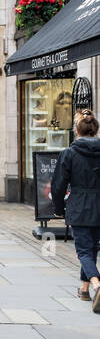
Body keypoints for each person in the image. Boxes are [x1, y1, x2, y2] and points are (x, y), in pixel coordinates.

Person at [50, 108, 100, 311]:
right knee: (92, 248)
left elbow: (58, 184)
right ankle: (84, 289)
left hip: (79, 205)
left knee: (84, 251)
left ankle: (97, 284)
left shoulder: (69, 154)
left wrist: (58, 208)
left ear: (77, 131)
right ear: (95, 131)